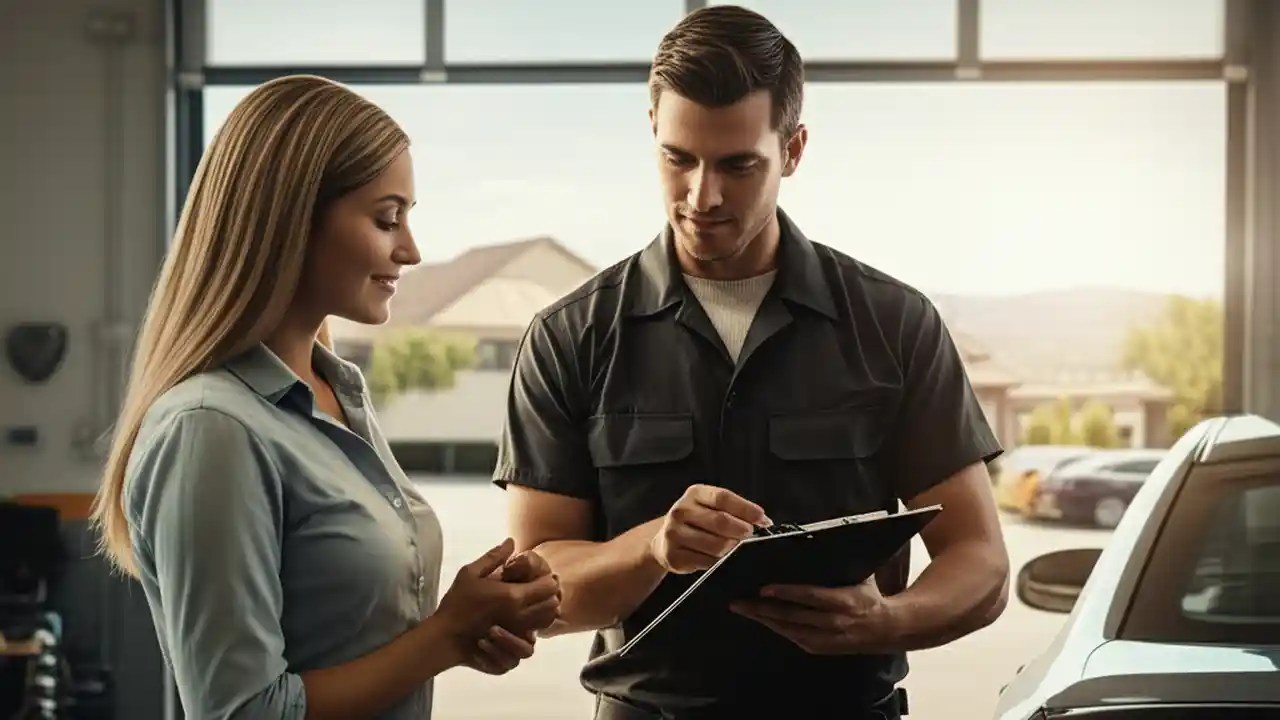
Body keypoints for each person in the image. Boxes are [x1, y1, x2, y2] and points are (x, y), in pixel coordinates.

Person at [494, 6, 1010, 719]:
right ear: (653, 131)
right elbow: (537, 595)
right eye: (678, 159)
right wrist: (652, 548)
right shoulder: (569, 336)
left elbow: (981, 563)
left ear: (793, 150)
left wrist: (884, 621)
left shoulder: (894, 324)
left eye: (738, 165)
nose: (701, 197)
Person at [89, 75, 561, 720]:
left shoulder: (336, 394)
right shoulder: (211, 428)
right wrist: (443, 635)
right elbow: (243, 711)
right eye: (386, 218)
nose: (411, 248)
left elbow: (358, 645)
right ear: (290, 220)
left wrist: (466, 627)